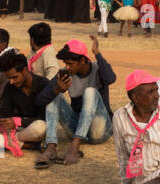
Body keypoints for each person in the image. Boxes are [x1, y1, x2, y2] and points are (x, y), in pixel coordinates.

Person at [39, 36, 114, 167]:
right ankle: (51, 146)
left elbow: (110, 78)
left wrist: (97, 53)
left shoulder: (98, 69)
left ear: (83, 60)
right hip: (76, 127)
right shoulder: (66, 75)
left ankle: (75, 146)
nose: (67, 67)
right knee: (54, 96)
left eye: (70, 64)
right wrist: (57, 89)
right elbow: (40, 100)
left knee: (90, 91)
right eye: (65, 63)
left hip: (100, 130)